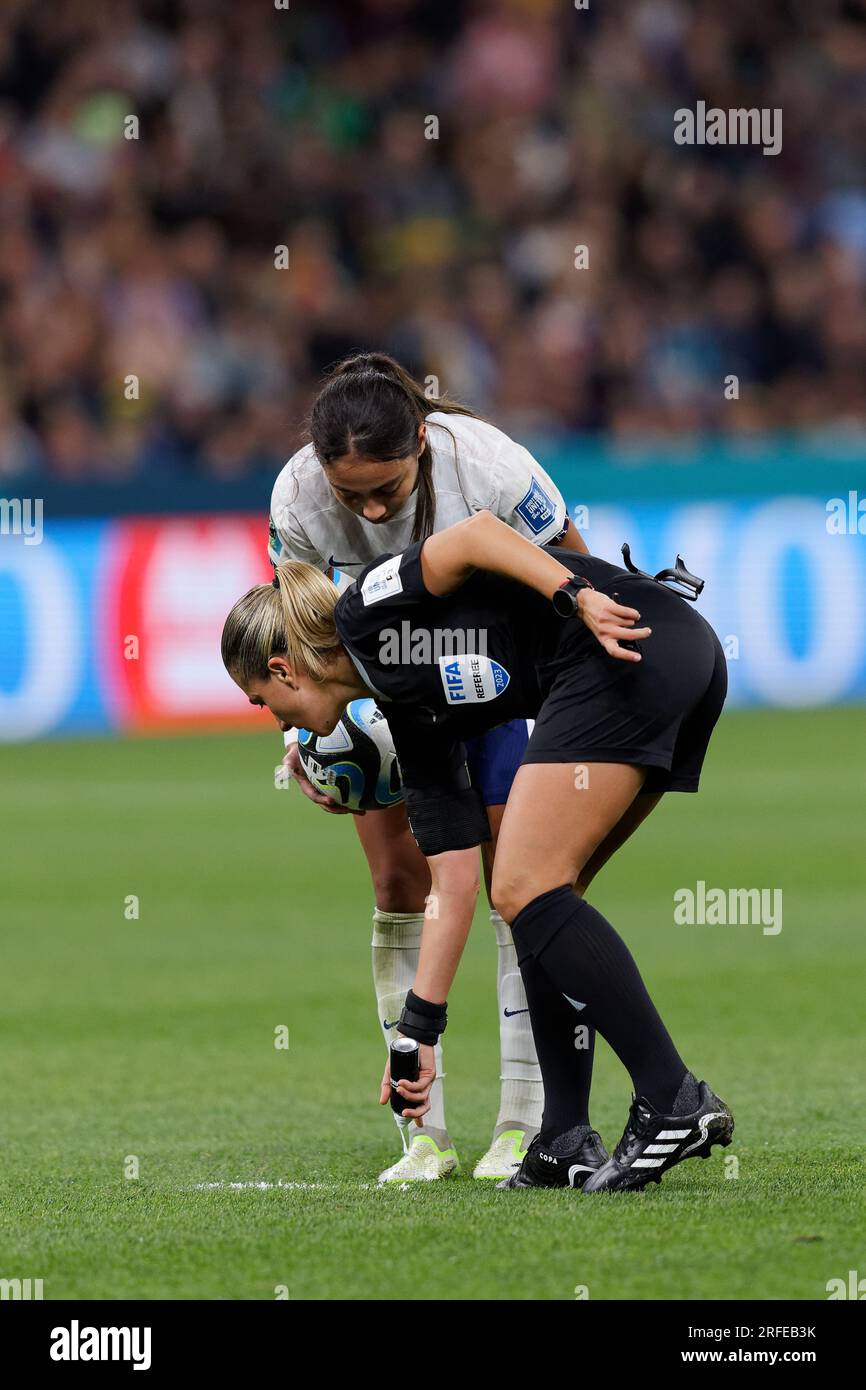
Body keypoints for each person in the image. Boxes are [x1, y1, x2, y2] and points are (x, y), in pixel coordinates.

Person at [221, 511, 734, 1194]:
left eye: (262, 702)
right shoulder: (411, 714)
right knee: (542, 900)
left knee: (526, 887)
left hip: (627, 646)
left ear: (283, 669)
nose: (278, 723)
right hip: (663, 658)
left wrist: (576, 596)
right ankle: (561, 1136)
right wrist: (417, 1032)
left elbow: (478, 533)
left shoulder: (366, 610)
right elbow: (453, 881)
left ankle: (673, 1099)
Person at [267, 351, 589, 1182]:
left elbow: (575, 566)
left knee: (516, 876)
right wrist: (307, 742)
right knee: (397, 885)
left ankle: (523, 1118)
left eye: (388, 488)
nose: (370, 509)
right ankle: (425, 1137)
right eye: (352, 497)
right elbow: (303, 633)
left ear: (420, 441)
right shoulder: (297, 496)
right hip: (384, 681)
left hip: (494, 672)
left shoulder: (487, 464)